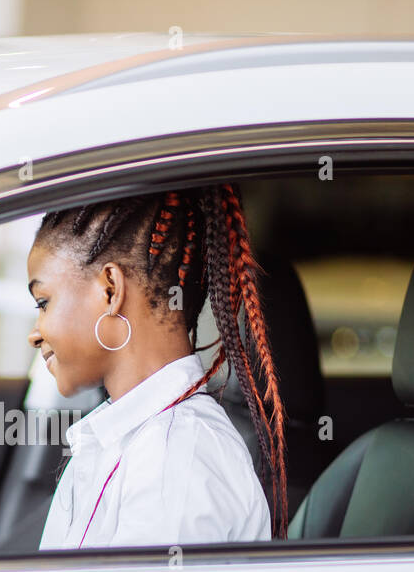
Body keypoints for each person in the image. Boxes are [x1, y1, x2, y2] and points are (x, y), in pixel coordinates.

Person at [26, 183, 287, 549]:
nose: (34, 335)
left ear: (110, 291)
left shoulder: (176, 457)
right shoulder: (129, 439)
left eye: (43, 302)